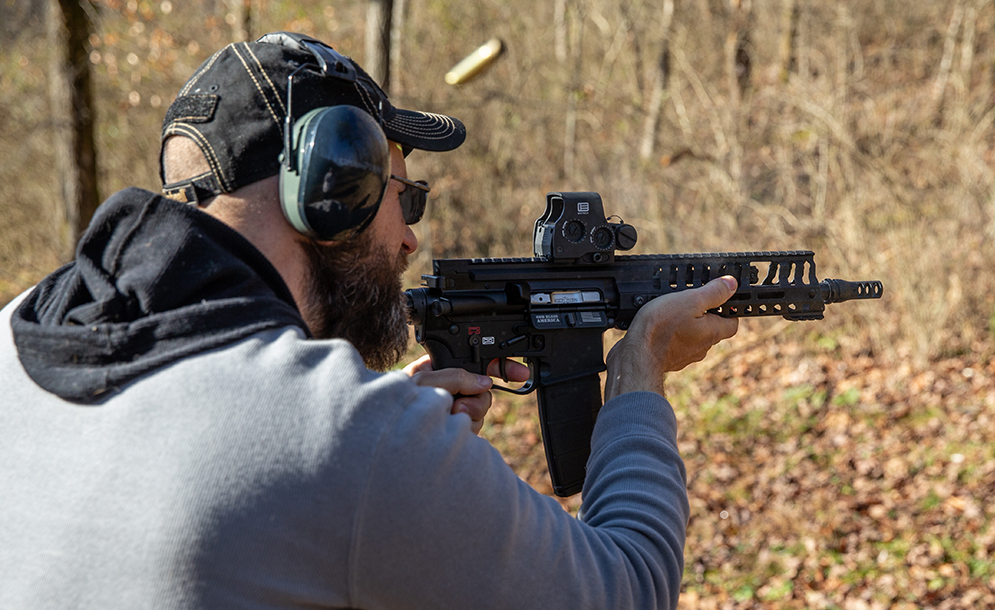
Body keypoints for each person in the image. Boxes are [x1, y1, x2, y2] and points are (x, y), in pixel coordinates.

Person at [0, 32, 740, 609]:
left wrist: (383, 446)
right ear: (334, 187)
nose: (411, 238)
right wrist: (639, 371)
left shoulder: (15, 338)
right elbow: (628, 591)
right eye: (402, 199)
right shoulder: (345, 435)